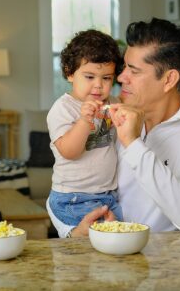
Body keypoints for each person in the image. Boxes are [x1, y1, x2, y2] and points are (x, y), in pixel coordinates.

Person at [48, 17, 180, 238]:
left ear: (169, 79)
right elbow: (69, 182)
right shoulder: (110, 113)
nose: (120, 78)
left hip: (165, 266)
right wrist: (73, 232)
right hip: (104, 263)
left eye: (133, 71)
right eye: (124, 68)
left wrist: (133, 144)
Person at [46, 29, 123, 231]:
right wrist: (83, 121)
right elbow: (69, 152)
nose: (98, 85)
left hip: (107, 195)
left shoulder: (112, 102)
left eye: (106, 78)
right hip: (74, 197)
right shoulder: (63, 108)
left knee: (118, 240)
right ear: (70, 73)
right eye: (89, 77)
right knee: (100, 244)